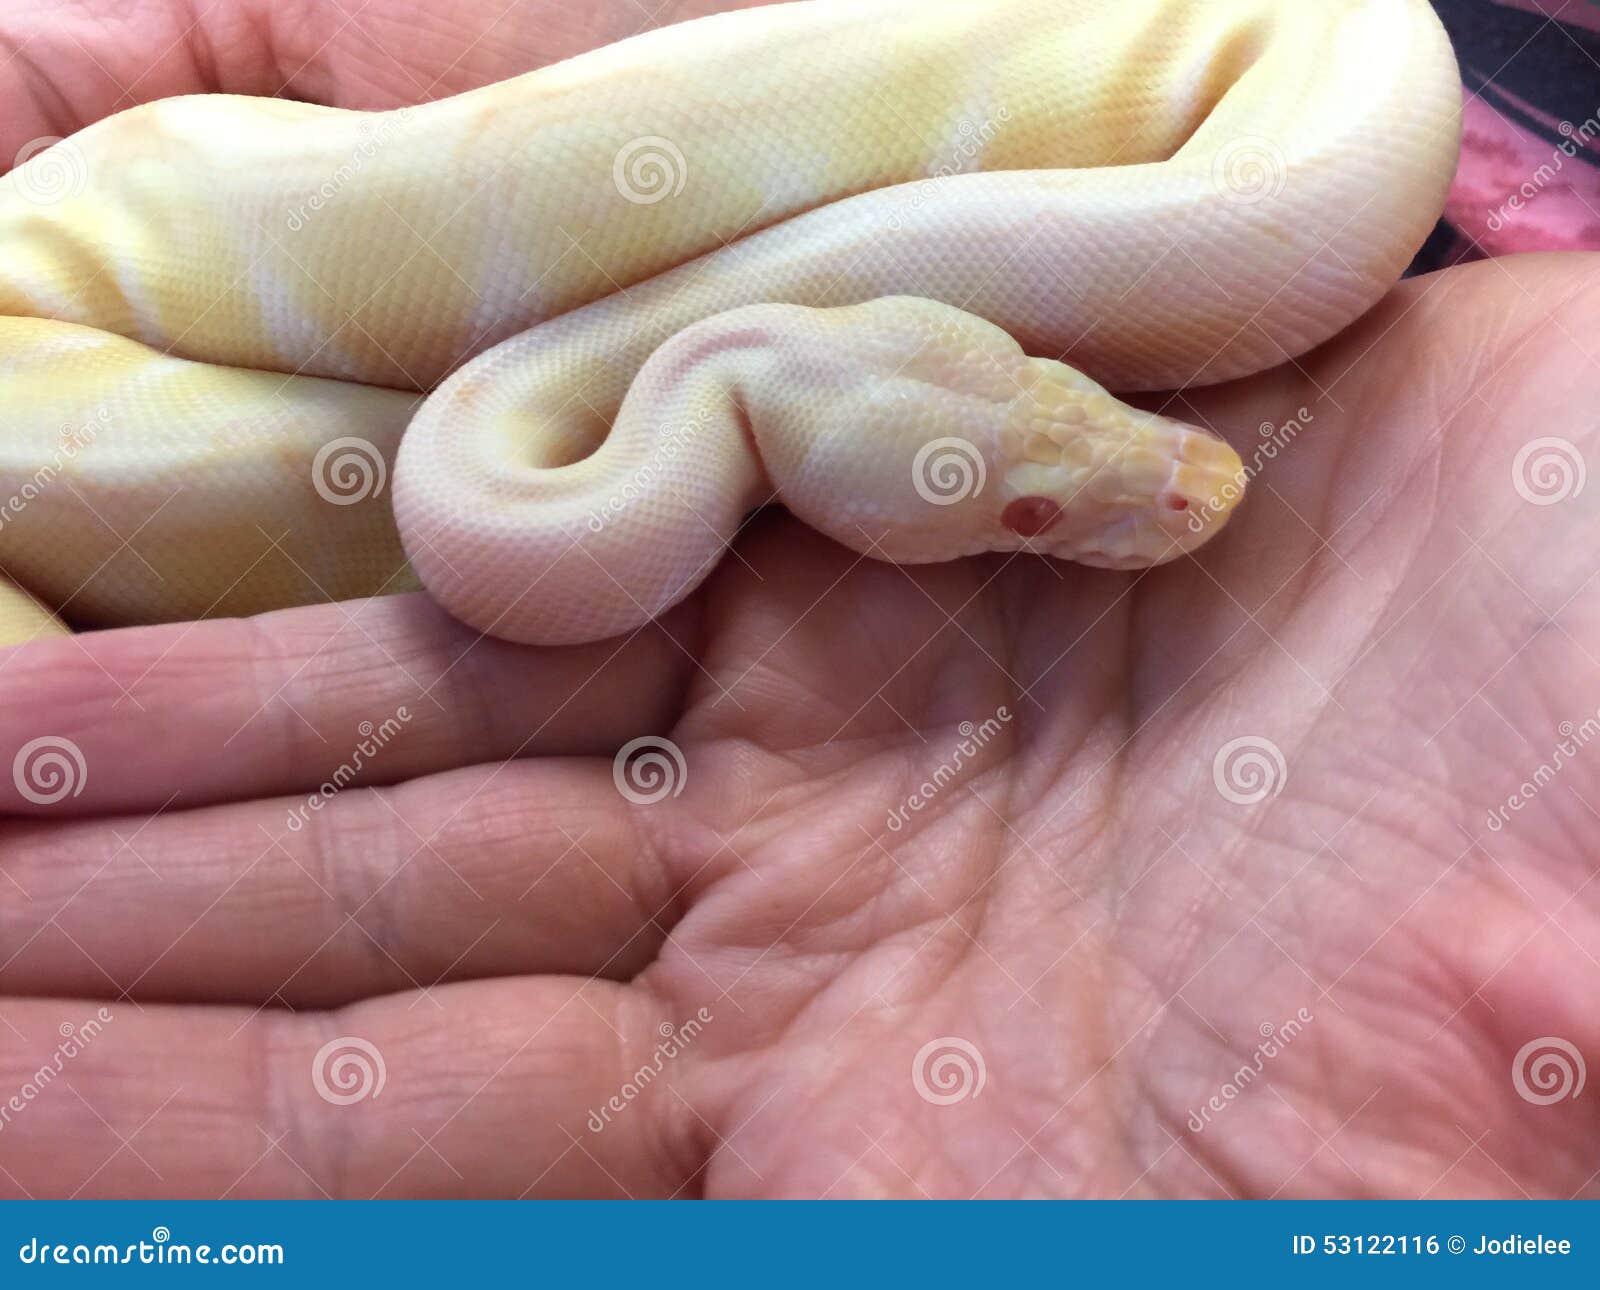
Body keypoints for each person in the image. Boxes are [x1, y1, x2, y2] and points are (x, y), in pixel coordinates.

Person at [0, 0, 1594, 1199]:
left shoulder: (1321, 71)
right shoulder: (640, 442)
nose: (1145, 486)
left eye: (1053, 406)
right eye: (1030, 516)